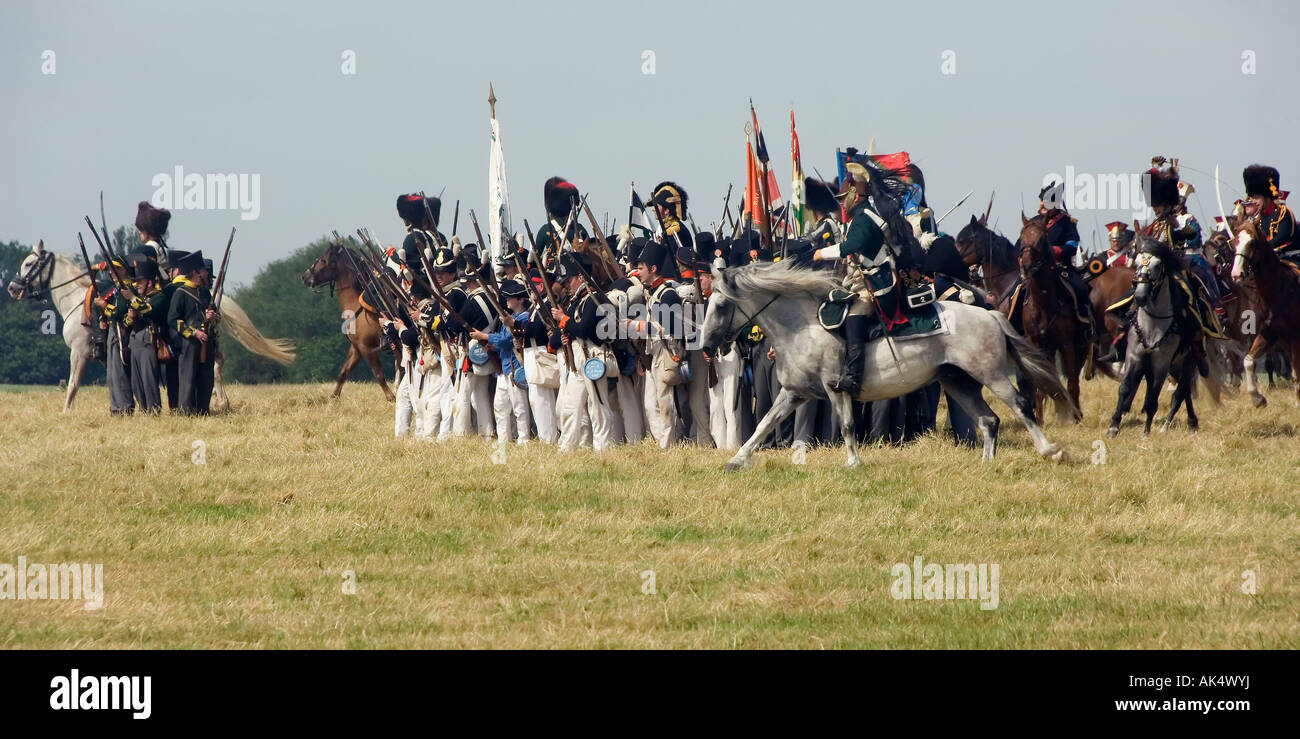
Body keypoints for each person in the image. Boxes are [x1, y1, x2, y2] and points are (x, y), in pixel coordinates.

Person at [166, 250, 208, 414]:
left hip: (206, 340)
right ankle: (186, 411)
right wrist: (193, 332)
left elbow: (216, 316)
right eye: (202, 269)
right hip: (190, 341)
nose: (205, 272)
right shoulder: (180, 293)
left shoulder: (204, 293)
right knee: (188, 378)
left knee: (205, 378)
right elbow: (173, 319)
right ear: (195, 272)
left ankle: (203, 410)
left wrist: (211, 317)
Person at [123, 253, 166, 414]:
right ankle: (144, 409)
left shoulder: (158, 297)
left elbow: (148, 310)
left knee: (149, 380)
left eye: (140, 282)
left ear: (150, 282)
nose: (137, 284)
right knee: (137, 382)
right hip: (135, 342)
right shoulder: (138, 299)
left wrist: (132, 298)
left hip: (149, 341)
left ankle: (154, 411)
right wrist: (130, 315)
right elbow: (127, 322)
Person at [1240, 164, 1296, 264]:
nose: (1254, 201)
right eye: (1252, 198)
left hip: (1290, 258)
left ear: (1266, 196)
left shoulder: (1283, 213)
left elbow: (1283, 236)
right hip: (1269, 260)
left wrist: (1261, 248)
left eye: (1256, 198)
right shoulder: (1258, 219)